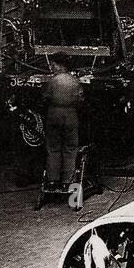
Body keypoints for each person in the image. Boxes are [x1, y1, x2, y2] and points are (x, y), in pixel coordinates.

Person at [42, 58, 83, 192]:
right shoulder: (74, 81)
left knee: (53, 148)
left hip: (53, 113)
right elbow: (80, 100)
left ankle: (52, 181)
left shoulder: (52, 81)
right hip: (70, 114)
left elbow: (45, 97)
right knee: (70, 149)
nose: (52, 67)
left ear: (60, 66)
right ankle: (67, 182)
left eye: (54, 64)